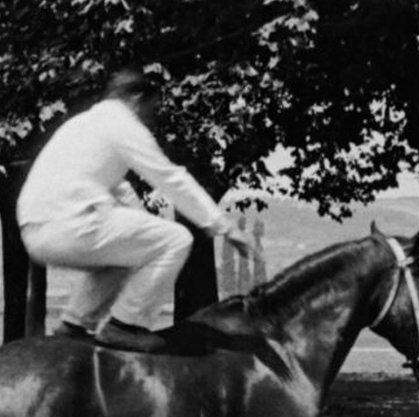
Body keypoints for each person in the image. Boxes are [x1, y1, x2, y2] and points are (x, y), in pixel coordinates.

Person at [17, 68, 254, 351]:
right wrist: (225, 227)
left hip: (35, 230)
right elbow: (169, 177)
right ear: (137, 98)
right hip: (72, 222)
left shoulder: (81, 125)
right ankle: (125, 325)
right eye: (151, 109)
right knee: (176, 239)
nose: (151, 119)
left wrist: (142, 227)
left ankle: (74, 326)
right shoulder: (122, 125)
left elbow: (121, 191)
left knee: (128, 252)